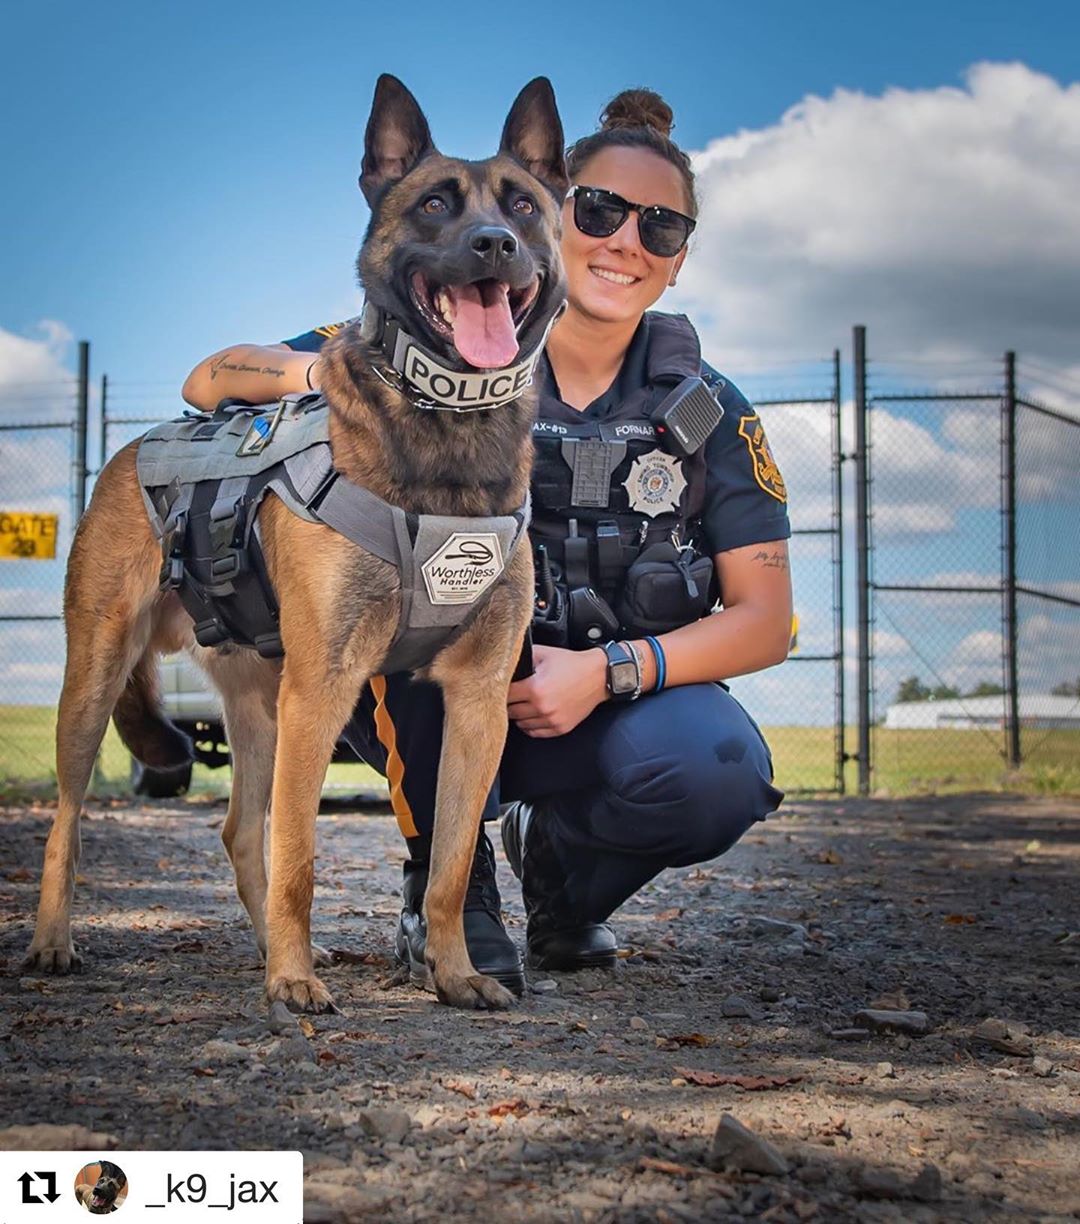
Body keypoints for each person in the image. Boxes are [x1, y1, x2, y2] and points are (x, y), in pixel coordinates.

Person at [181, 89, 792, 996]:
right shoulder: (421, 333)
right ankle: (444, 886)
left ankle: (562, 881)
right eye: (598, 210)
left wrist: (608, 672)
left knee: (719, 771)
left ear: (679, 259)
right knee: (423, 604)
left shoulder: (702, 411)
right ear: (555, 215)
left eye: (659, 228)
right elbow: (209, 379)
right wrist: (327, 373)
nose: (625, 240)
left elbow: (766, 623)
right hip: (433, 688)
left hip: (600, 697)